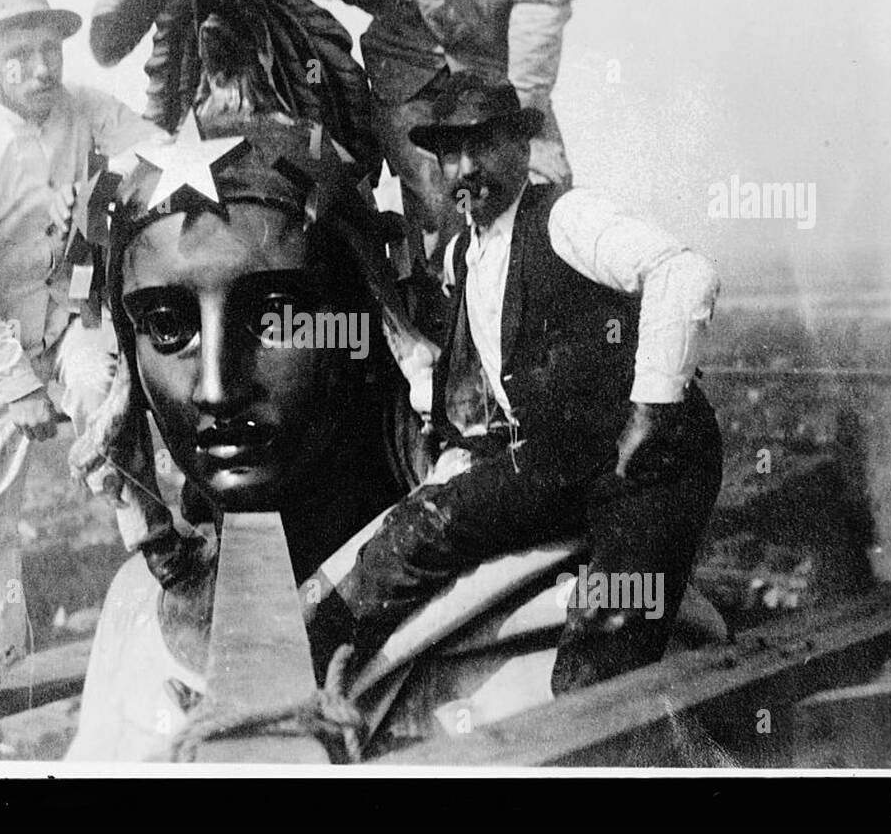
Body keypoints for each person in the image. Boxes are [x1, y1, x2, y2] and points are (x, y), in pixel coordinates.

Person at [302, 72, 724, 696]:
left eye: (484, 147)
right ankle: (304, 671)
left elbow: (683, 272)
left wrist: (651, 408)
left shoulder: (567, 217)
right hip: (556, 460)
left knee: (607, 635)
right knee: (419, 529)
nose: (466, 168)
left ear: (522, 149)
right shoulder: (461, 258)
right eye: (451, 153)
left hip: (649, 466)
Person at [66, 117, 413, 761]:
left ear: (367, 331)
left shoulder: (507, 615)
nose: (218, 389)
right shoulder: (136, 609)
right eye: (168, 326)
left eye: (277, 316)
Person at [0, 0, 177, 730]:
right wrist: (18, 385)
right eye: (19, 54)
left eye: (48, 49)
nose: (40, 68)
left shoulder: (87, 108)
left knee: (108, 400)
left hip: (70, 315)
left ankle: (161, 557)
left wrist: (116, 187)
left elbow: (159, 154)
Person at [325, 0, 590, 260]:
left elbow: (544, 2)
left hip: (499, 77)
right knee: (441, 214)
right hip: (406, 68)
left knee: (547, 203)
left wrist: (521, 121)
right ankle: (445, 307)